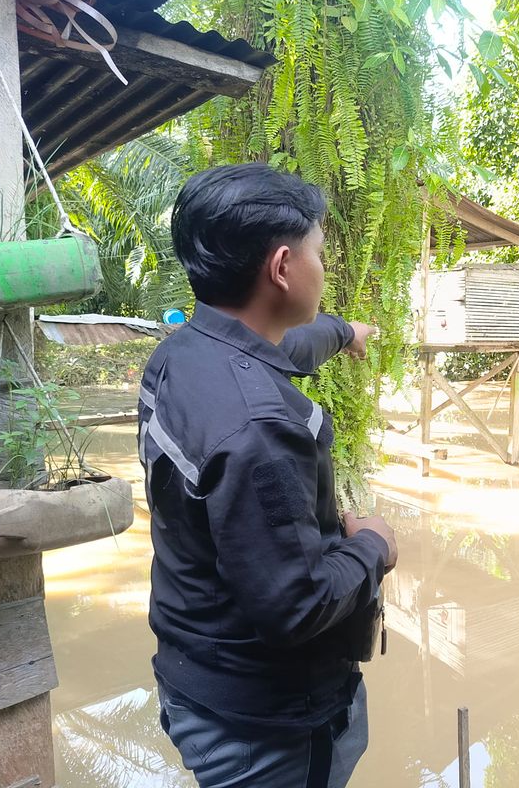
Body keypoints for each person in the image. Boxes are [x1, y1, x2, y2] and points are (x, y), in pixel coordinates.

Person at [137, 163, 398, 787]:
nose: (325, 269)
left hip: (198, 676)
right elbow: (296, 607)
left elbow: (283, 351)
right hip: (266, 727)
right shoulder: (260, 430)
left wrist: (346, 332)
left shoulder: (183, 351)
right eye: (319, 254)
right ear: (283, 267)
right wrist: (375, 546)